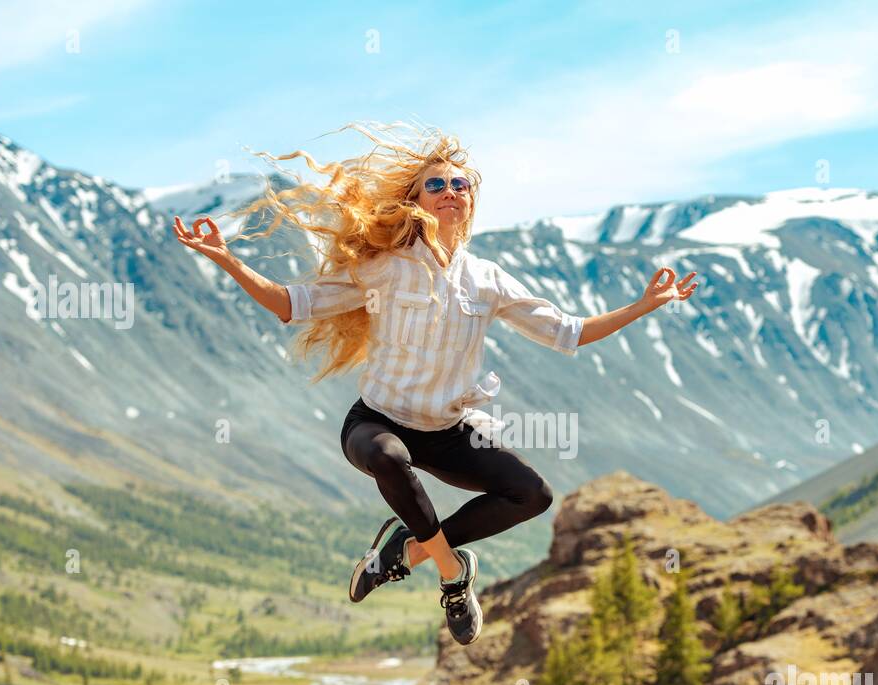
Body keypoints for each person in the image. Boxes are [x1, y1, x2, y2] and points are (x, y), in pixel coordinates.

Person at [172, 123, 698, 645]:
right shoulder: (383, 268)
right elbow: (292, 304)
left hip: (449, 431)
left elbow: (568, 333)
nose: (451, 191)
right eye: (437, 185)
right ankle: (453, 578)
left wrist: (644, 305)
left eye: (460, 184)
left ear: (471, 202)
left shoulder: (488, 280)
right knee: (387, 457)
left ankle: (406, 551)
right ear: (416, 201)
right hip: (377, 423)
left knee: (531, 494)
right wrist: (227, 260)